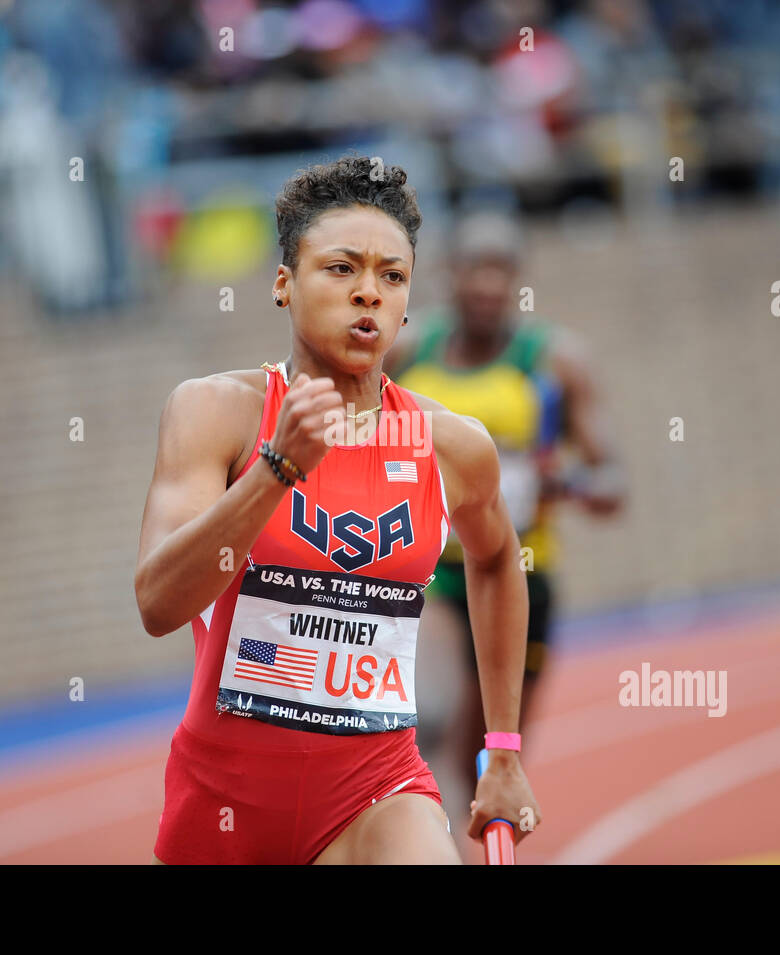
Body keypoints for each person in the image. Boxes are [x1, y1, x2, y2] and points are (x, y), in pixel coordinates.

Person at [134, 156, 541, 865]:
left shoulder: (451, 445)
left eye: (391, 276)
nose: (368, 294)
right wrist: (276, 468)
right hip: (225, 806)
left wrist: (501, 748)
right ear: (284, 283)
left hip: (376, 791)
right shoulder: (216, 413)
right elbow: (159, 601)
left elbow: (499, 557)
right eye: (341, 269)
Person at [385, 210, 626, 810]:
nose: (488, 284)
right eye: (475, 269)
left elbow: (612, 484)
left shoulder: (555, 363)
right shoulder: (411, 353)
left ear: (518, 278)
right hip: (435, 574)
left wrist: (561, 481)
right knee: (433, 723)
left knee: (489, 751)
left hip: (521, 575)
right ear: (449, 275)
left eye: (501, 270)